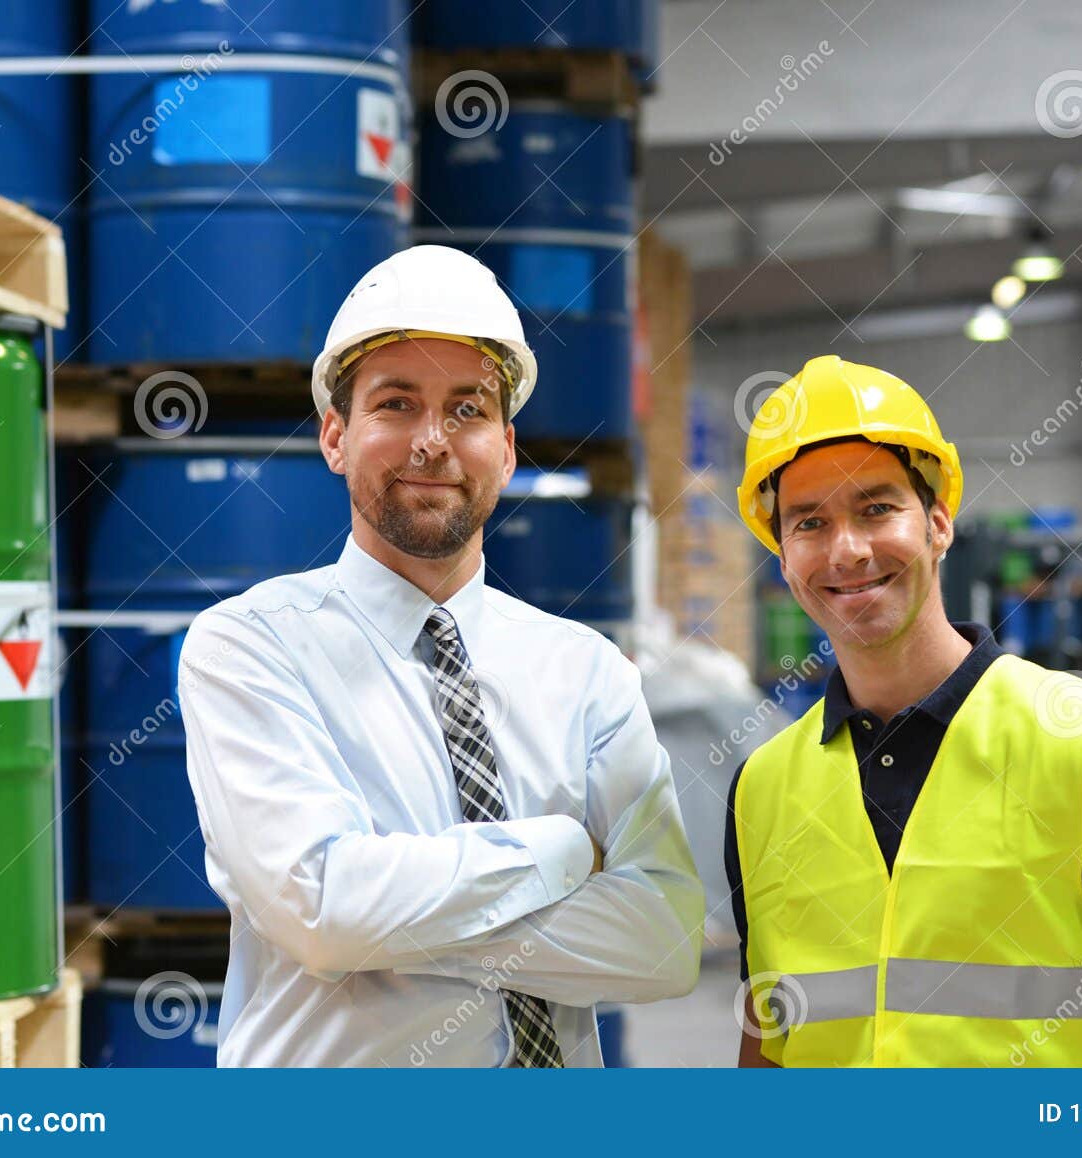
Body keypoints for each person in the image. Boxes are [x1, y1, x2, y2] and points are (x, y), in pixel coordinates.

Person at [179, 245, 703, 1067]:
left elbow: (665, 943)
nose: (434, 441)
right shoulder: (252, 646)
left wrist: (388, 918)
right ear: (335, 435)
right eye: (396, 404)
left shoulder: (588, 671)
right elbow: (324, 912)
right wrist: (565, 851)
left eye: (469, 409)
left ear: (507, 445)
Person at [723, 355, 1082, 1067]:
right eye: (809, 522)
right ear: (783, 557)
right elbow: (767, 1053)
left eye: (876, 508)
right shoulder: (762, 789)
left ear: (938, 522)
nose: (847, 549)